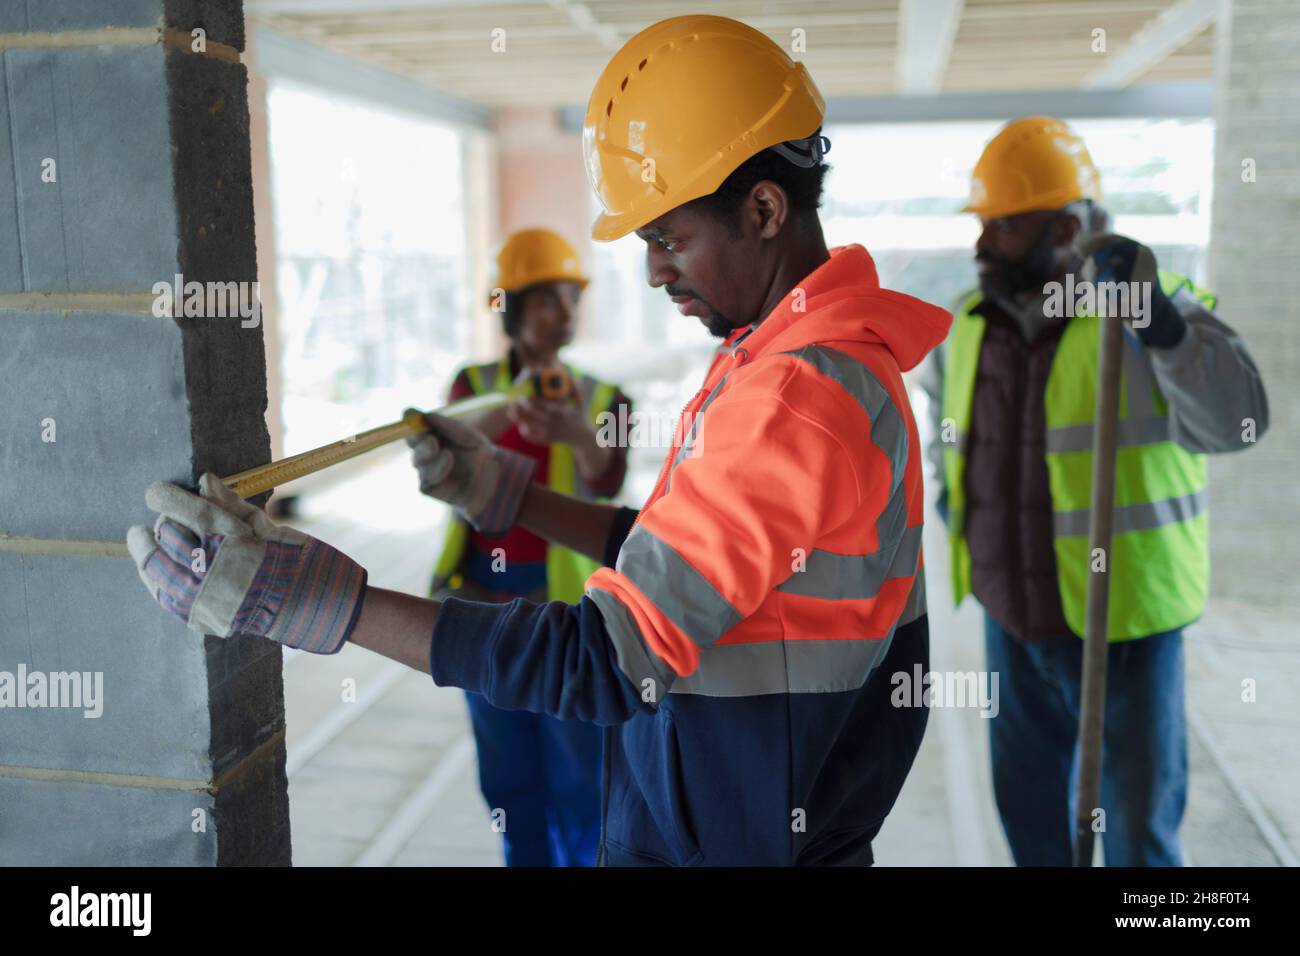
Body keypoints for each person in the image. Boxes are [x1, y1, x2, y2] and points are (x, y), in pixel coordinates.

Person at [127, 14, 951, 866]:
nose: (655, 272)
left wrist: (325, 604)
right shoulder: (797, 360)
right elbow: (693, 569)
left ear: (766, 207)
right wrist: (507, 498)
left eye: (669, 238)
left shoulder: (794, 394)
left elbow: (604, 661)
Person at [920, 116, 1269, 866]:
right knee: (1034, 830)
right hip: (1009, 624)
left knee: (1137, 839)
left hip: (1125, 633)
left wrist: (1163, 327)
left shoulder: (1152, 312)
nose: (982, 246)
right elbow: (948, 441)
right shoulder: (967, 325)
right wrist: (967, 526)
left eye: (1003, 227)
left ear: (1067, 229)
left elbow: (1239, 422)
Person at [434, 228, 630, 866]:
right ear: (512, 308)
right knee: (508, 776)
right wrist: (508, 408)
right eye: (546, 300)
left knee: (579, 774)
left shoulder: (605, 399)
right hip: (485, 601)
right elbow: (443, 454)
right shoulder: (474, 385)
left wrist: (576, 432)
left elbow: (608, 480)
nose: (563, 313)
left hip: (568, 612)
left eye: (570, 299)